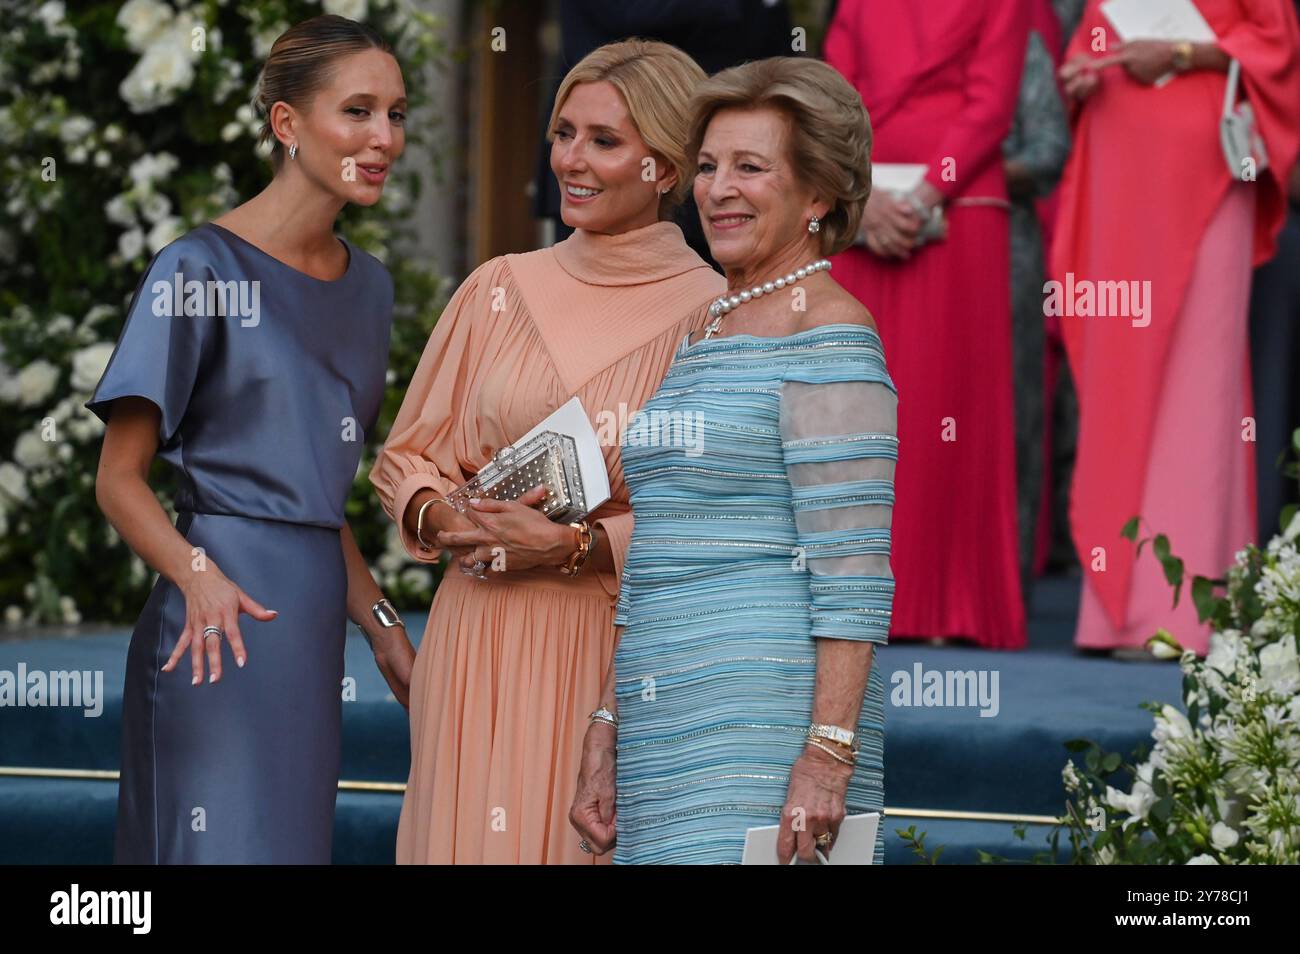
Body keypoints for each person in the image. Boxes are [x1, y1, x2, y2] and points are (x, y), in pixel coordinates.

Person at [370, 40, 724, 864]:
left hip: (604, 644)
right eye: (564, 133)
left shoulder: (715, 315)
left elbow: (718, 515)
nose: (571, 158)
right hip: (473, 636)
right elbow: (409, 453)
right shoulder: (498, 285)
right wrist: (435, 511)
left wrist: (574, 546)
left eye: (605, 141)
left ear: (666, 167)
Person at [87, 15, 414, 863]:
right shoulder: (197, 270)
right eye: (359, 112)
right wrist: (198, 577)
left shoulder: (371, 292)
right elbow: (118, 480)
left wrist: (381, 627)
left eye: (398, 115)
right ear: (286, 124)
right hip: (212, 634)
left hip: (308, 634)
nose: (384, 139)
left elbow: (313, 498)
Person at [570, 56, 892, 864]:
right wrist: (608, 723)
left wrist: (827, 754)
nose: (717, 189)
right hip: (663, 716)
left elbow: (852, 575)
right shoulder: (709, 326)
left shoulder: (832, 335)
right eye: (709, 166)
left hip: (767, 723)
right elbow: (661, 544)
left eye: (751, 167)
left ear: (818, 195)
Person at [1053, 0, 1300, 657]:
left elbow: (1277, 50)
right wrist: (1081, 74)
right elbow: (1090, 44)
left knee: (1197, 385)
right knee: (1118, 381)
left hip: (1206, 171)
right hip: (1119, 175)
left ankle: (1185, 612)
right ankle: (1112, 613)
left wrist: (1185, 54)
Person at [823, 0, 1030, 649]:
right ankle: (883, 602)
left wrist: (887, 199)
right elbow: (834, 101)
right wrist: (871, 199)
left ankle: (944, 605)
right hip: (894, 206)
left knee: (948, 405)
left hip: (940, 208)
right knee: (862, 400)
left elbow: (992, 105)